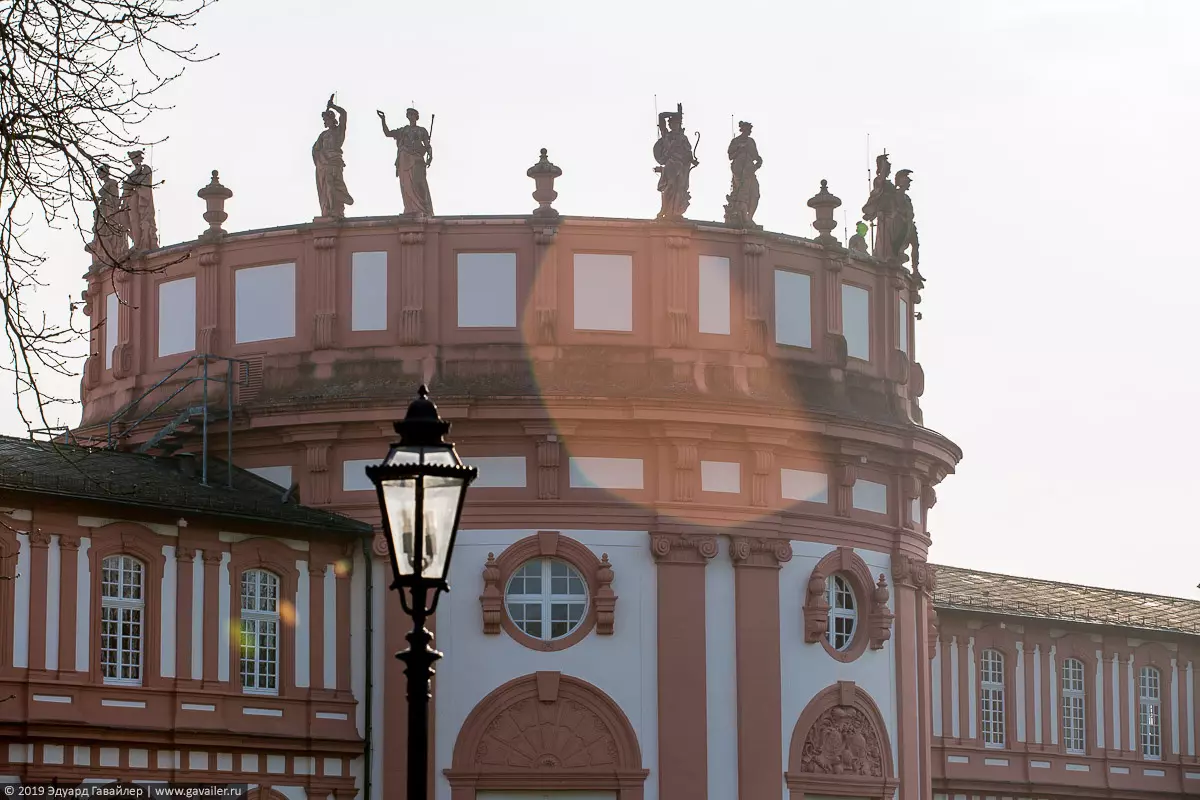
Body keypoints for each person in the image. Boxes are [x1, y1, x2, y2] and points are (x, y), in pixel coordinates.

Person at [378, 107, 434, 217]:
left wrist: (430, 157)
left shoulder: (422, 130)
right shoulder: (403, 130)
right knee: (406, 185)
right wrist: (383, 120)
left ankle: (423, 208)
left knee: (419, 183)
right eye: (409, 115)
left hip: (417, 160)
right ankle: (410, 209)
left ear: (416, 117)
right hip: (404, 159)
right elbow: (388, 133)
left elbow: (428, 146)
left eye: (413, 115)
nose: (411, 117)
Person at [313, 94, 354, 219]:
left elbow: (344, 114)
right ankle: (330, 210)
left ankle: (339, 205)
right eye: (324, 120)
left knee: (333, 185)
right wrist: (321, 156)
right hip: (324, 164)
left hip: (335, 162)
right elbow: (315, 149)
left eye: (326, 119)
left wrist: (333, 106)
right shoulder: (323, 135)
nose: (325, 122)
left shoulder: (339, 131)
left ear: (332, 119)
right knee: (327, 187)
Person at [653, 106, 696, 221]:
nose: (675, 125)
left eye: (677, 123)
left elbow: (688, 153)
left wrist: (692, 160)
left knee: (681, 188)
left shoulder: (683, 138)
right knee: (670, 186)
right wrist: (676, 113)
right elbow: (661, 116)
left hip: (682, 166)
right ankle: (665, 209)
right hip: (671, 164)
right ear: (670, 125)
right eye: (673, 123)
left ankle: (675, 212)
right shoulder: (666, 135)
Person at [90, 164, 129, 266]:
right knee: (105, 230)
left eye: (100, 173)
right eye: (98, 174)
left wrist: (103, 198)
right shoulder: (109, 183)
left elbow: (110, 195)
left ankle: (115, 252)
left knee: (112, 230)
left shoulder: (112, 182)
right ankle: (107, 252)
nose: (99, 176)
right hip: (106, 209)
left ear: (106, 172)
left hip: (111, 209)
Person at [725, 121, 763, 227]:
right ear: (742, 130)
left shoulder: (751, 141)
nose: (748, 131)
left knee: (755, 193)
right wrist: (739, 149)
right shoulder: (736, 141)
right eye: (747, 129)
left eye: (749, 130)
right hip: (739, 171)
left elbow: (756, 156)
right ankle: (745, 219)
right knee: (743, 193)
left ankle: (749, 217)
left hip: (750, 170)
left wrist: (759, 161)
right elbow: (730, 156)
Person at [121, 150, 158, 252]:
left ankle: (142, 243)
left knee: (140, 221)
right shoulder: (133, 173)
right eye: (132, 158)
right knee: (132, 222)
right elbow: (126, 186)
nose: (134, 160)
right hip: (131, 200)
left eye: (136, 157)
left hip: (140, 199)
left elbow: (144, 183)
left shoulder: (145, 169)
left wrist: (132, 185)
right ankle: (137, 243)